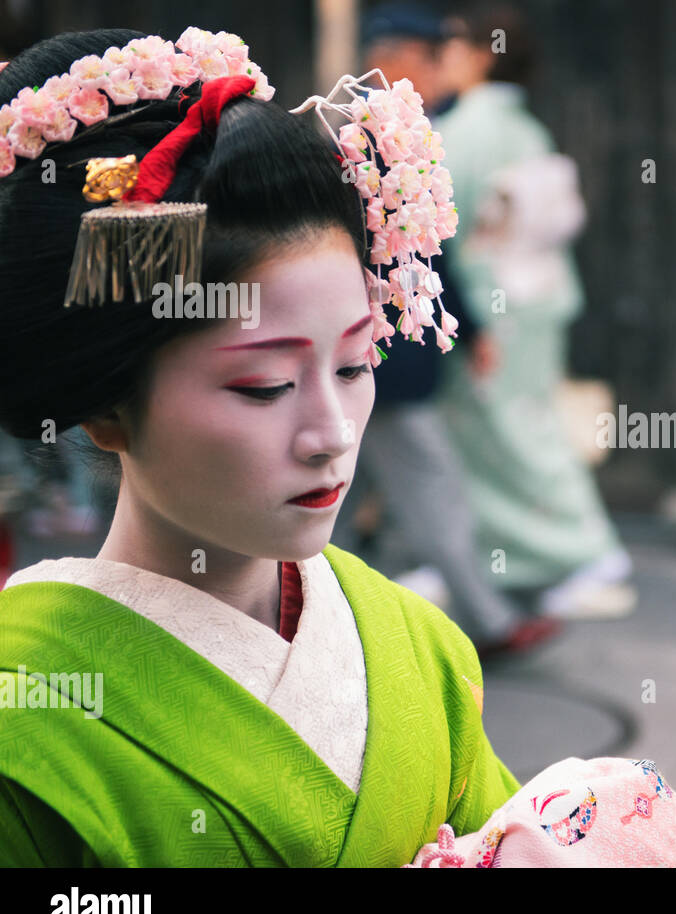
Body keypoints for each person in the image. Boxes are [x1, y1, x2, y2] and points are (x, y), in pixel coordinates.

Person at [0, 27, 521, 865]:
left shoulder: (420, 649)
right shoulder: (24, 729)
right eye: (264, 386)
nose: (332, 432)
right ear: (106, 405)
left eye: (356, 362)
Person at [336, 2, 560, 656]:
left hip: (377, 347)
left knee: (342, 498)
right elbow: (415, 253)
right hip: (382, 348)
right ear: (400, 59)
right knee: (427, 488)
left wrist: (467, 325)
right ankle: (489, 620)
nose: (445, 75)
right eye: (435, 59)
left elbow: (432, 250)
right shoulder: (368, 135)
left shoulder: (395, 130)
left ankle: (316, 619)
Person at [430, 3, 638, 619]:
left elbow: (452, 223)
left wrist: (474, 319)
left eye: (450, 47)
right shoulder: (523, 128)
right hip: (535, 295)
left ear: (481, 54)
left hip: (498, 304)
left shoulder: (467, 129)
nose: (442, 58)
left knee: (516, 433)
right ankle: (506, 557)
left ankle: (588, 553)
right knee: (513, 427)